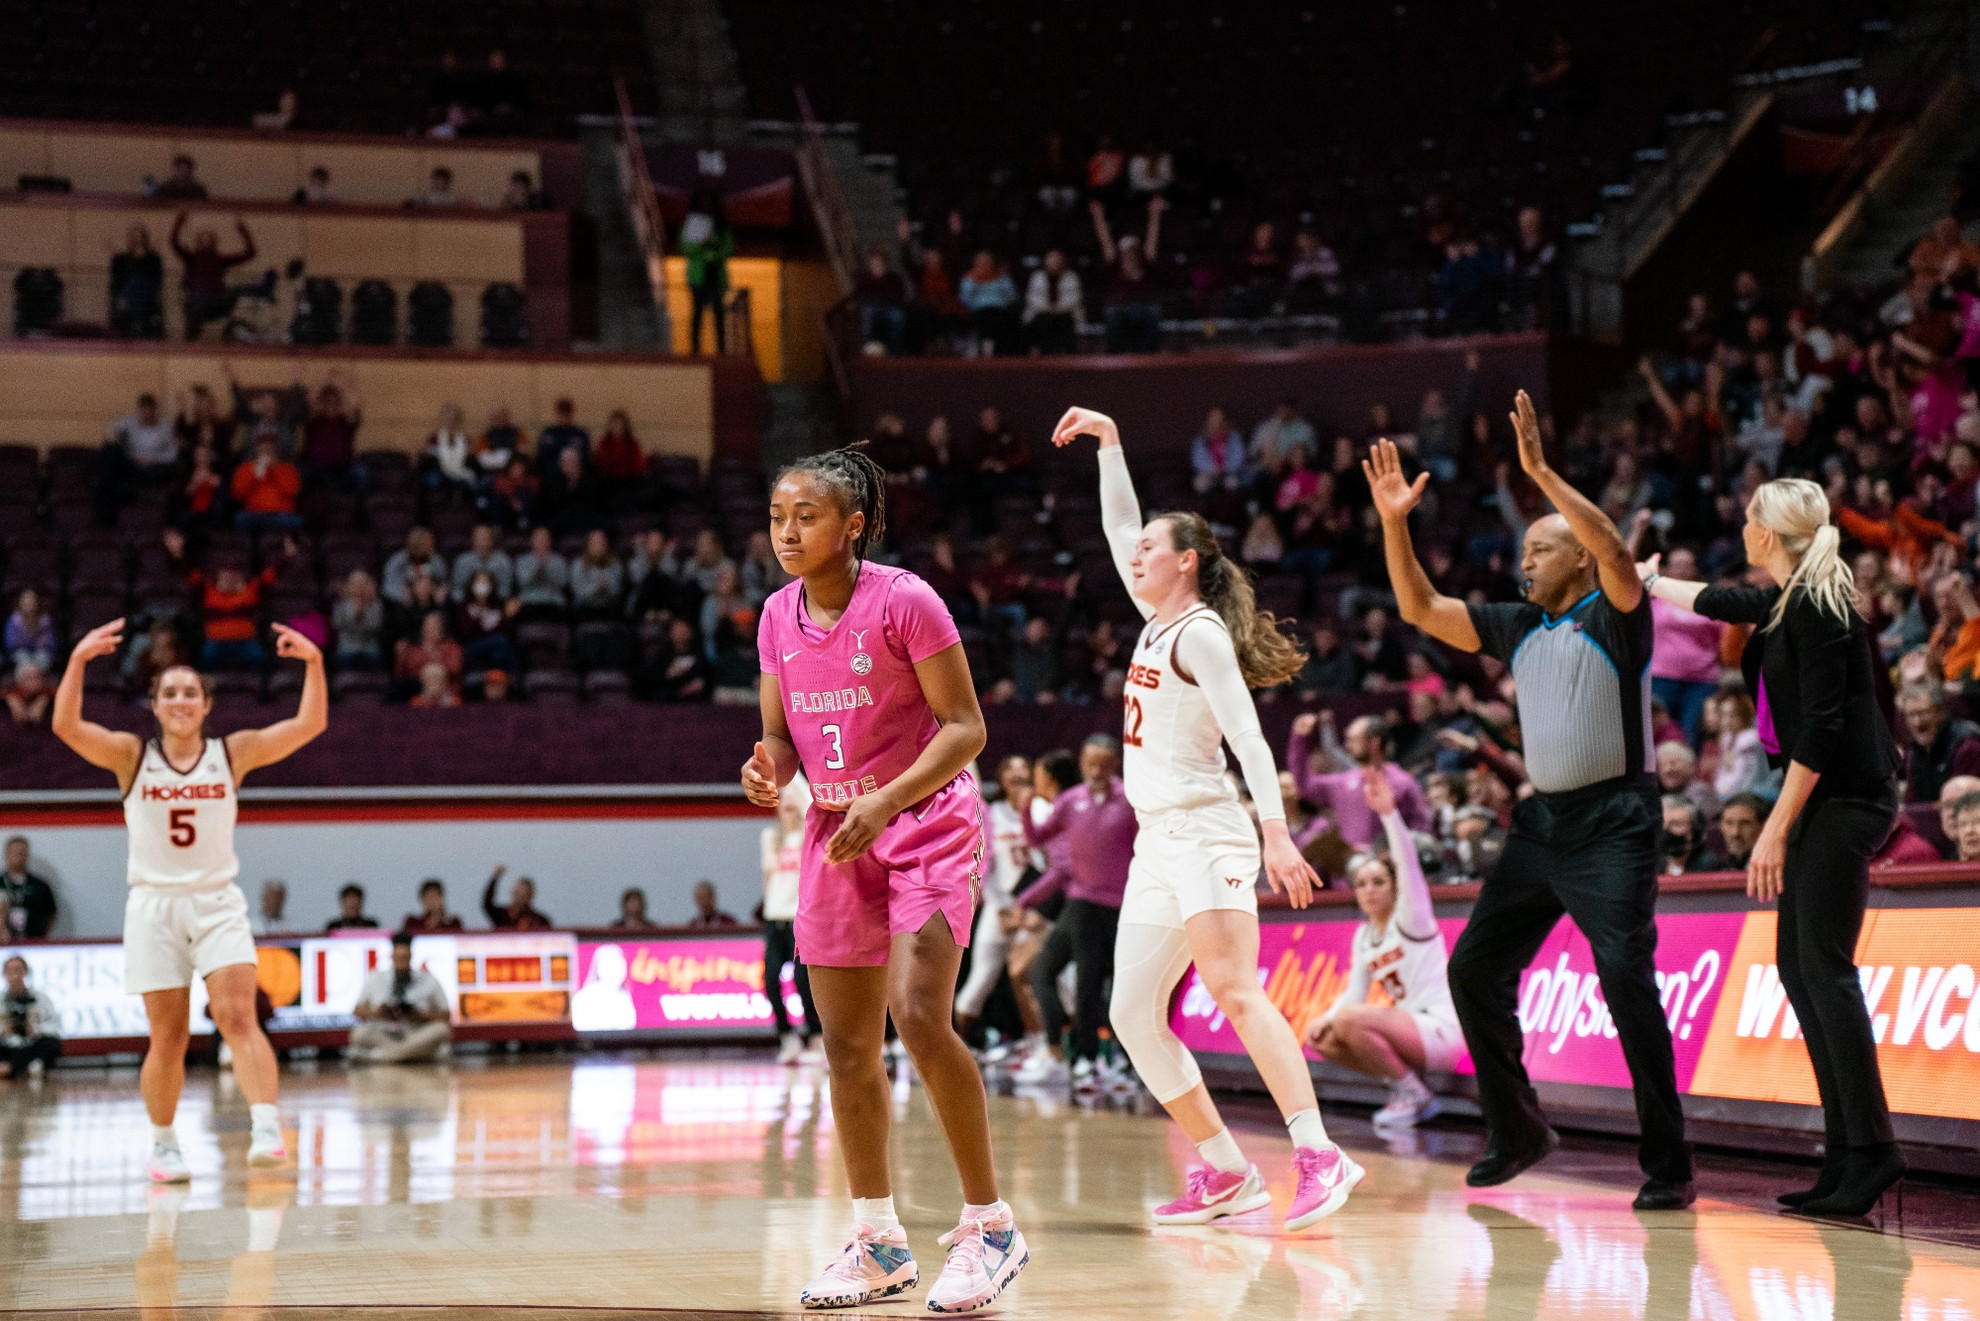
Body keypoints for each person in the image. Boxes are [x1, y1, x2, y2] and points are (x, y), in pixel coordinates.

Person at [1365, 390, 1694, 1210]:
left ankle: (1670, 1164)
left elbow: (1617, 548)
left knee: (1624, 974)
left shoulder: (1618, 614)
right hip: (1543, 824)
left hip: (1616, 821)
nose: (1526, 563)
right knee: (1475, 967)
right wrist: (1395, 523)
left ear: (1576, 557)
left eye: (1541, 551)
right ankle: (1517, 1129)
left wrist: (1541, 473)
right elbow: (1418, 607)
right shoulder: (1517, 624)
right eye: (1524, 553)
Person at [1051, 405, 1360, 1231]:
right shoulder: (1156, 619)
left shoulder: (1201, 634)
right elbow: (1121, 523)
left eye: (1151, 546)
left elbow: (1252, 739)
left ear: (1184, 560)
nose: (1134, 552)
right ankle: (1226, 1170)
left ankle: (1319, 1151)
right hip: (1161, 843)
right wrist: (1113, 442)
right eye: (1137, 546)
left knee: (1231, 987)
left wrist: (1278, 832)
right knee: (1128, 1014)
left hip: (1211, 833)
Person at [740, 444, 1026, 1312]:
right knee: (847, 1044)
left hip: (926, 818)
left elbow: (966, 726)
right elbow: (782, 738)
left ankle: (992, 1225)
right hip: (838, 830)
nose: (788, 531)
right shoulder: (775, 616)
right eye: (779, 515)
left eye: (808, 516)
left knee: (918, 1013)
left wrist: (889, 797)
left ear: (852, 524)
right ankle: (877, 1242)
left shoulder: (906, 599)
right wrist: (767, 768)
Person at [1638, 476, 1905, 1217]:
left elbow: (1819, 733)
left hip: (1846, 796)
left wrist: (1775, 830)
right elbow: (1723, 600)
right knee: (1799, 966)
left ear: (1768, 531)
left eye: (1751, 514)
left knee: (1824, 967)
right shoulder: (1792, 598)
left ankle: (1875, 1148)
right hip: (1825, 796)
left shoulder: (1820, 606)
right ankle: (1848, 1150)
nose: (1743, 522)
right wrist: (1653, 581)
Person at [51, 617, 326, 1181]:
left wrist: (315, 664)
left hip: (216, 900)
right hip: (153, 907)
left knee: (235, 1015)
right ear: (154, 705)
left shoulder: (233, 753)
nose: (180, 700)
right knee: (169, 1036)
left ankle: (267, 1127)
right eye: (169, 692)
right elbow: (65, 726)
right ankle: (163, 1144)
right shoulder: (132, 756)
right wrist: (77, 660)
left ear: (207, 705)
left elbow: (309, 724)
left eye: (190, 692)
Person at [1303, 768, 1461, 1128]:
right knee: (1325, 1036)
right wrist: (1324, 1020)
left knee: (1347, 1019)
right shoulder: (1364, 935)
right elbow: (1353, 994)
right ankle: (1406, 1088)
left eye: (1379, 881)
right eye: (1362, 883)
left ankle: (1414, 1095)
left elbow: (1409, 870)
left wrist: (1389, 815)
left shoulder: (1411, 920)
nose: (1370, 889)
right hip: (1411, 1031)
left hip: (1441, 1029)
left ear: (1393, 887)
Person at [1013, 735, 1134, 1088]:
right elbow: (1037, 838)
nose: (1097, 770)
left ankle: (1125, 1061)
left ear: (1115, 764)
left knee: (1123, 985)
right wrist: (1025, 808)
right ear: (1082, 763)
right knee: (1087, 982)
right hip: (1083, 903)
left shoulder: (1130, 800)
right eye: (1091, 762)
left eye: (1105, 763)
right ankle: (1085, 1058)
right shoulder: (1070, 802)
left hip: (1122, 905)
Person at [954, 756, 1034, 1042]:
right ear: (1000, 778)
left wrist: (1032, 909)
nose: (1018, 773)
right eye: (1010, 768)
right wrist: (999, 907)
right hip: (999, 909)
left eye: (1023, 767)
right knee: (981, 980)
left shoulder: (1041, 811)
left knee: (1051, 981)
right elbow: (982, 863)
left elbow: (1048, 863)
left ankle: (1043, 1047)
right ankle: (961, 1046)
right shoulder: (990, 812)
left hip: (1034, 911)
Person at [1285, 712, 1432, 848]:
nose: (1348, 746)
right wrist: (1298, 740)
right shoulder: (1343, 782)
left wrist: (1387, 853)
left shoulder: (1403, 782)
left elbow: (1422, 831)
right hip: (1351, 871)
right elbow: (1305, 786)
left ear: (1374, 742)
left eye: (1353, 740)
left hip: (1390, 870)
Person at [761, 778, 821, 1064]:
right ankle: (787, 1037)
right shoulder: (769, 838)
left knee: (802, 980)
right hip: (775, 920)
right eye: (782, 798)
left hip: (800, 920)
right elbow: (768, 880)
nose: (788, 803)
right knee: (771, 980)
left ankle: (816, 1038)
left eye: (792, 797)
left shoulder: (808, 836)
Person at [348, 933, 452, 1065]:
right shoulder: (376, 978)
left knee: (441, 1030)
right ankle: (415, 1056)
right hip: (384, 1031)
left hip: (415, 1031)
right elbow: (357, 1010)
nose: (401, 961)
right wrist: (378, 1013)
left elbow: (446, 1014)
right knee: (358, 1033)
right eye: (398, 957)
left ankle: (381, 1057)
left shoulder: (427, 979)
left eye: (405, 957)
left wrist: (420, 1015)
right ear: (392, 956)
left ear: (411, 956)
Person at [0, 957, 59, 1079]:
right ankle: (22, 1067)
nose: (14, 975)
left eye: (18, 970)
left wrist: (36, 1028)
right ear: (4, 973)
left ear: (25, 972)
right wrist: (4, 1029)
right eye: (10, 970)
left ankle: (12, 1068)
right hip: (7, 1045)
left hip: (31, 1045)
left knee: (52, 1044)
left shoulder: (41, 999)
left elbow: (54, 1026)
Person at [0, 837, 58, 940]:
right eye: (14, 853)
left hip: (33, 941)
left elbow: (51, 913)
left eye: (22, 853)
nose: (18, 857)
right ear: (6, 855)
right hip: (4, 943)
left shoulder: (40, 885)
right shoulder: (1, 883)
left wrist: (40, 932)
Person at [482, 866, 551, 930]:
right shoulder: (502, 915)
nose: (520, 896)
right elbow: (487, 903)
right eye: (518, 892)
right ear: (512, 893)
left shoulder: (539, 920)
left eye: (524, 893)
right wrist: (495, 878)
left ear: (530, 895)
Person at [1717, 793, 1767, 869]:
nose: (1735, 833)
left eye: (1745, 824)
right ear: (1721, 826)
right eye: (1729, 823)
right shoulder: (1715, 867)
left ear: (1763, 827)